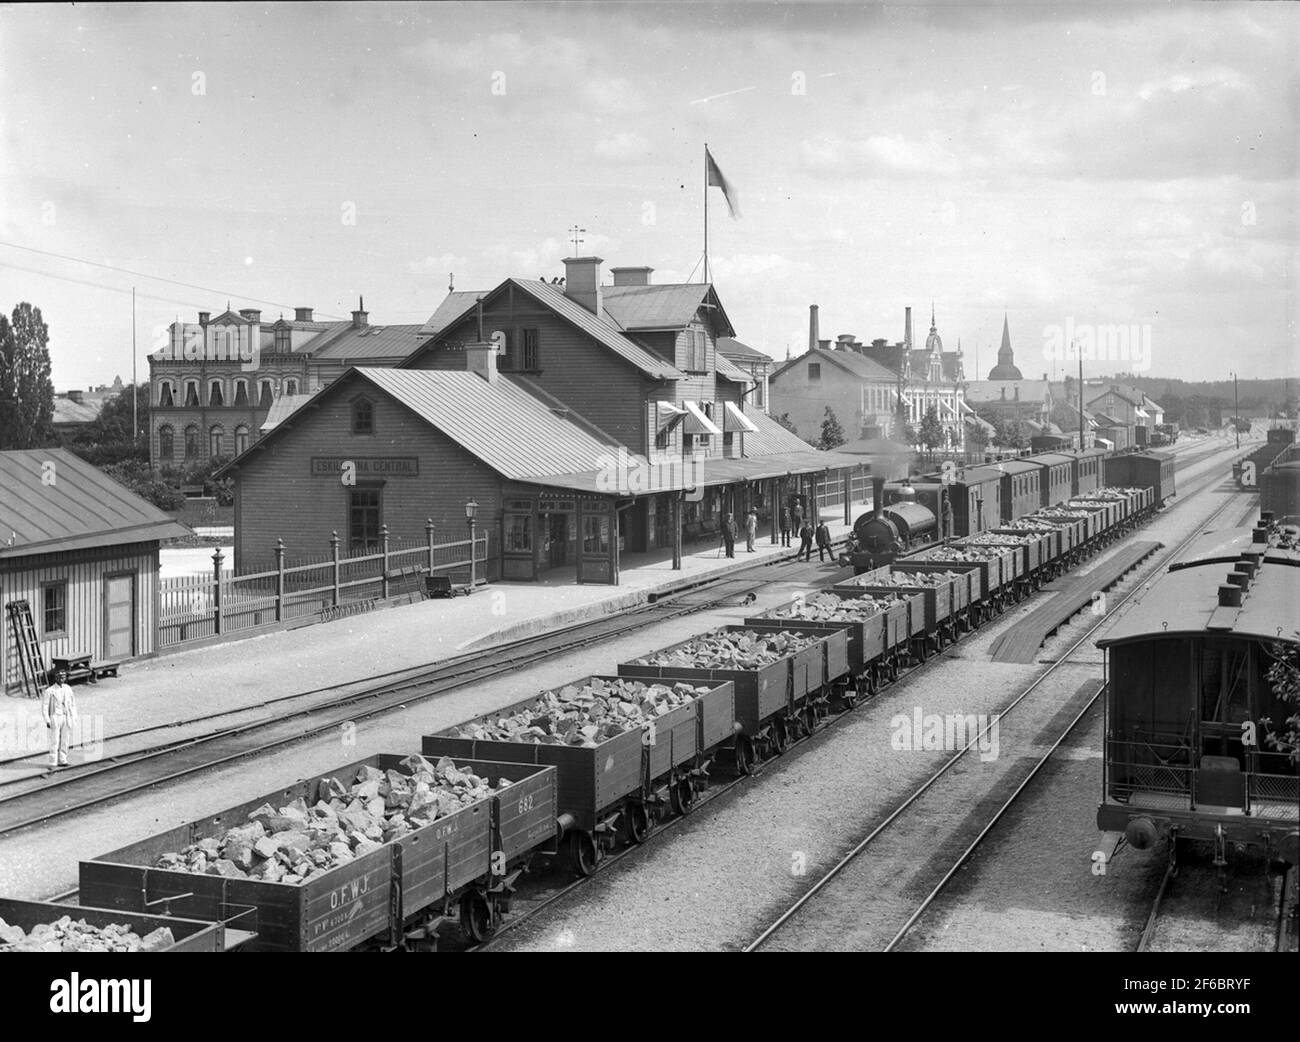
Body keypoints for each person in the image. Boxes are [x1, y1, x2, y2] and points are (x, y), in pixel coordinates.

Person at [42, 668, 77, 769]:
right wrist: (47, 720)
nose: (61, 679)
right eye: (59, 677)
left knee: (65, 739)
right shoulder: (50, 691)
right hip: (55, 717)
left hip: (66, 716)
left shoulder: (68, 689)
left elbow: (73, 703)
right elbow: (45, 707)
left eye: (63, 677)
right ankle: (53, 762)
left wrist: (73, 717)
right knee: (55, 740)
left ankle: (63, 760)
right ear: (55, 678)